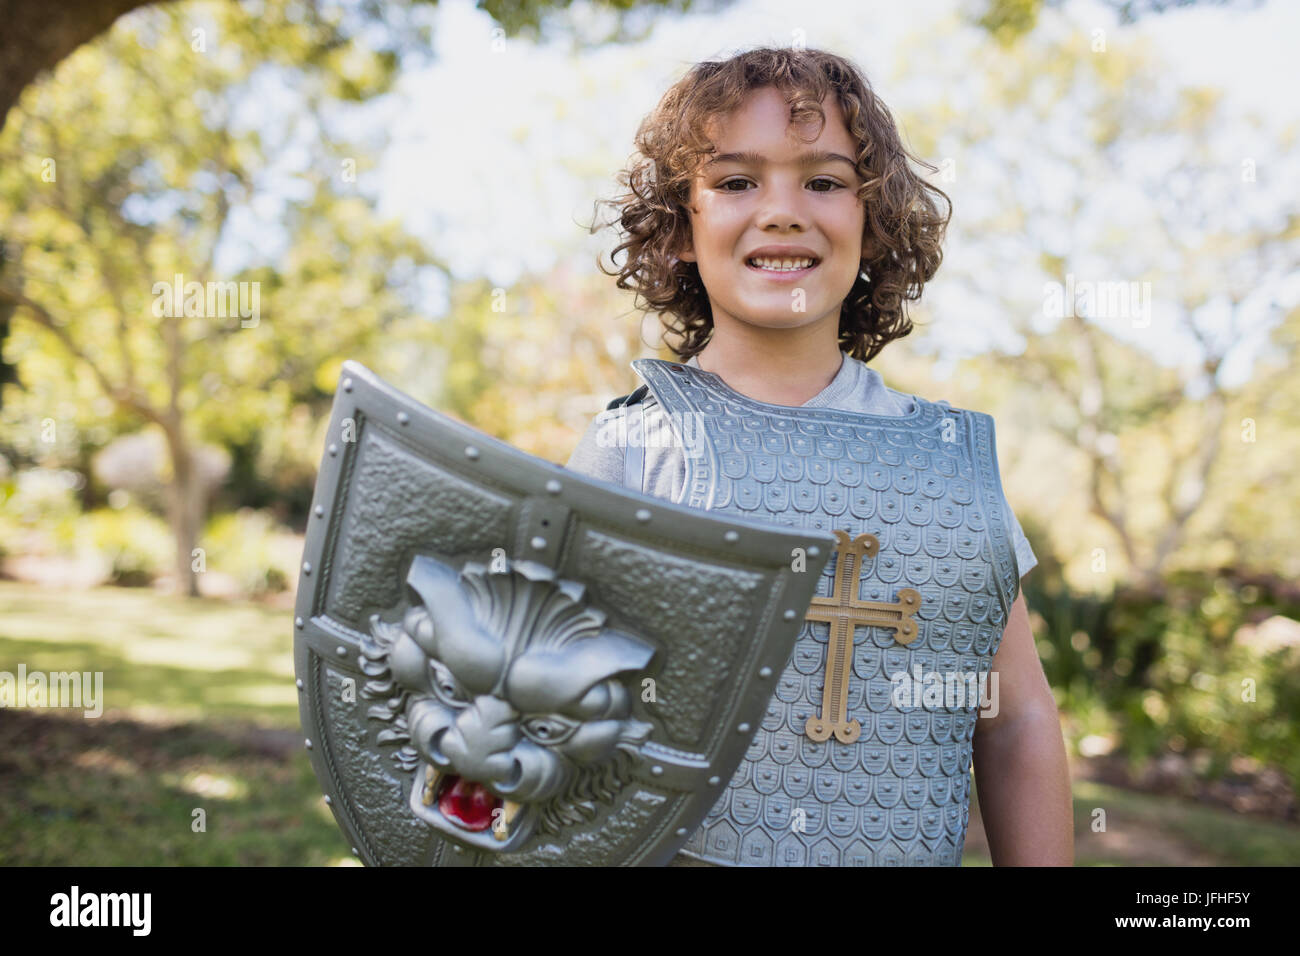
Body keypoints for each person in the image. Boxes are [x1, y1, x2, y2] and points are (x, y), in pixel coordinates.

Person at [566, 47, 1072, 866]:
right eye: (735, 181)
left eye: (824, 181)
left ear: (873, 224)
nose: (781, 210)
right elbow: (556, 709)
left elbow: (1013, 716)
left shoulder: (947, 463)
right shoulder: (632, 447)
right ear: (681, 228)